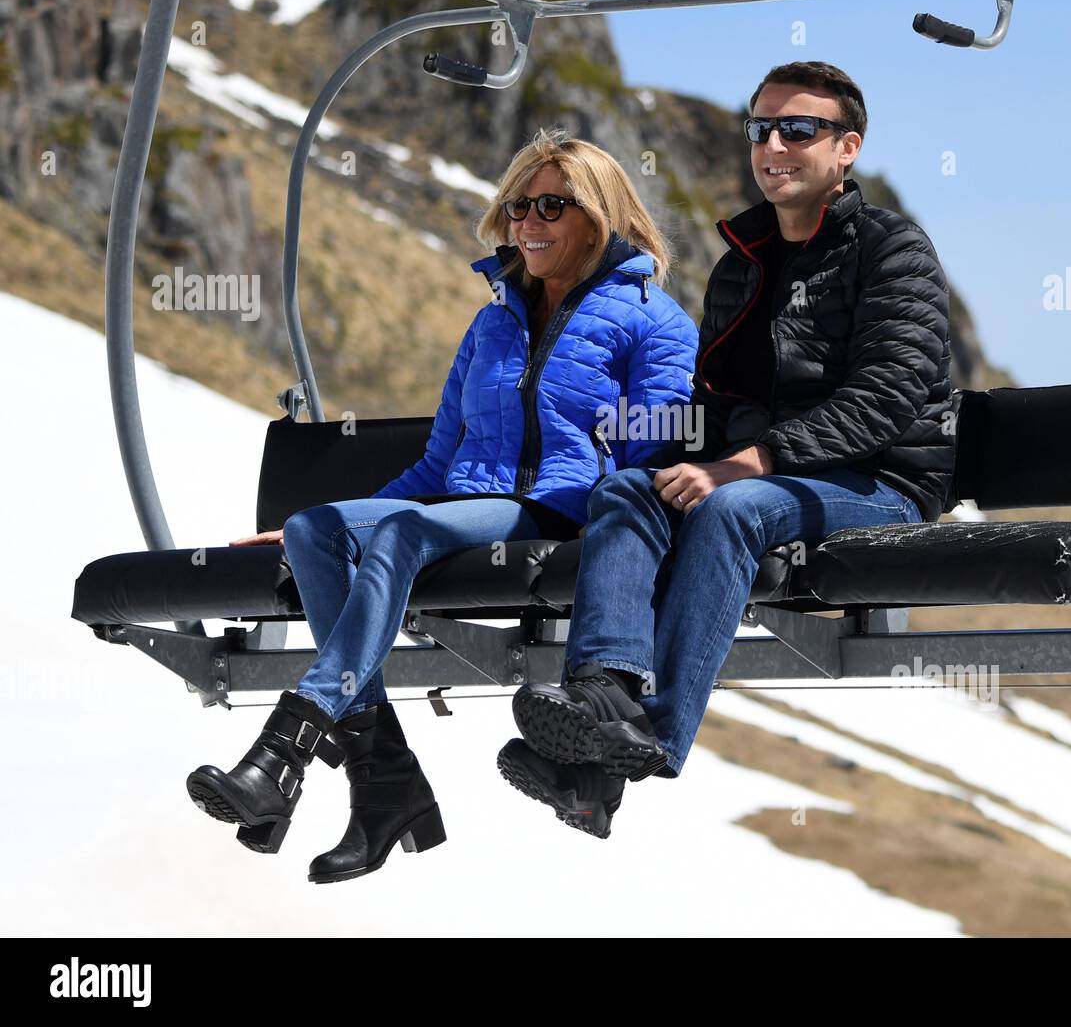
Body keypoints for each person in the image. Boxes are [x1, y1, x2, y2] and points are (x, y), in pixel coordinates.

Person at [186, 128, 698, 880]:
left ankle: (288, 751)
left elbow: (653, 449)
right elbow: (437, 463)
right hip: (469, 504)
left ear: (598, 216)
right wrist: (337, 527)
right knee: (312, 527)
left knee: (394, 536)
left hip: (561, 511)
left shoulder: (654, 320)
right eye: (519, 206)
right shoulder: (493, 321)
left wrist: (595, 462)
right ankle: (382, 776)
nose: (529, 222)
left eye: (552, 205)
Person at [499, 61, 955, 838]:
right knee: (628, 493)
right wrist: (626, 461)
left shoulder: (891, 249)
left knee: (732, 509)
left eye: (799, 129)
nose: (774, 143)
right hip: (769, 472)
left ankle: (658, 735)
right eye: (761, 129)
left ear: (847, 149)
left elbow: (891, 393)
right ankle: (603, 700)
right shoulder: (740, 265)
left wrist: (755, 461)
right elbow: (710, 407)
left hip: (879, 480)